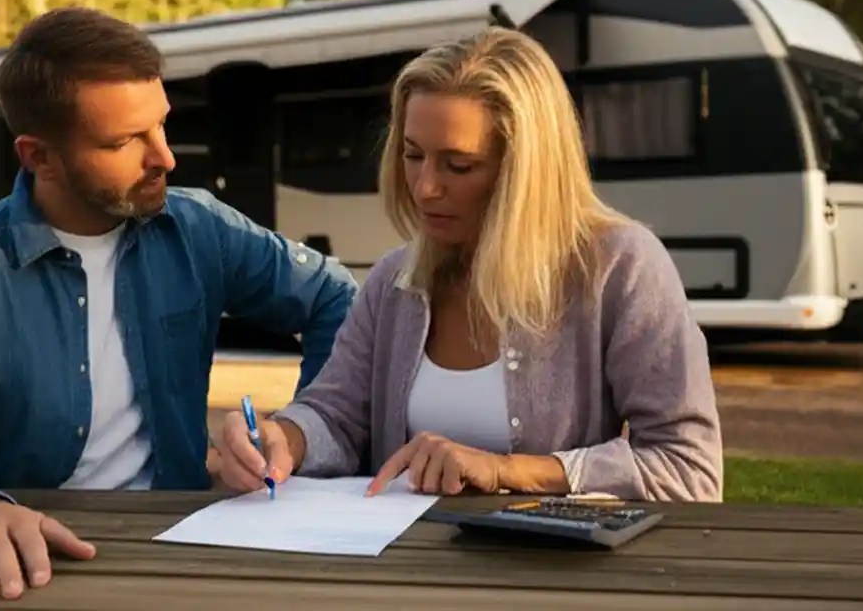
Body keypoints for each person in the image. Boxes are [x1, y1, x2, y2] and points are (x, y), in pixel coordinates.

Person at [0, 7, 357, 601]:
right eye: (124, 141)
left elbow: (339, 300)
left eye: (161, 125)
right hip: (30, 566)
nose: (164, 157)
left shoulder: (200, 228)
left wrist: (301, 432)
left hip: (188, 551)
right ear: (39, 157)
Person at [213, 27, 723, 503]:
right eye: (413, 156)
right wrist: (284, 436)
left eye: (459, 165)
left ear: (526, 172)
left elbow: (688, 469)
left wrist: (506, 470)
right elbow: (338, 416)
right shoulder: (395, 282)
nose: (426, 186)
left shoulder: (620, 267)